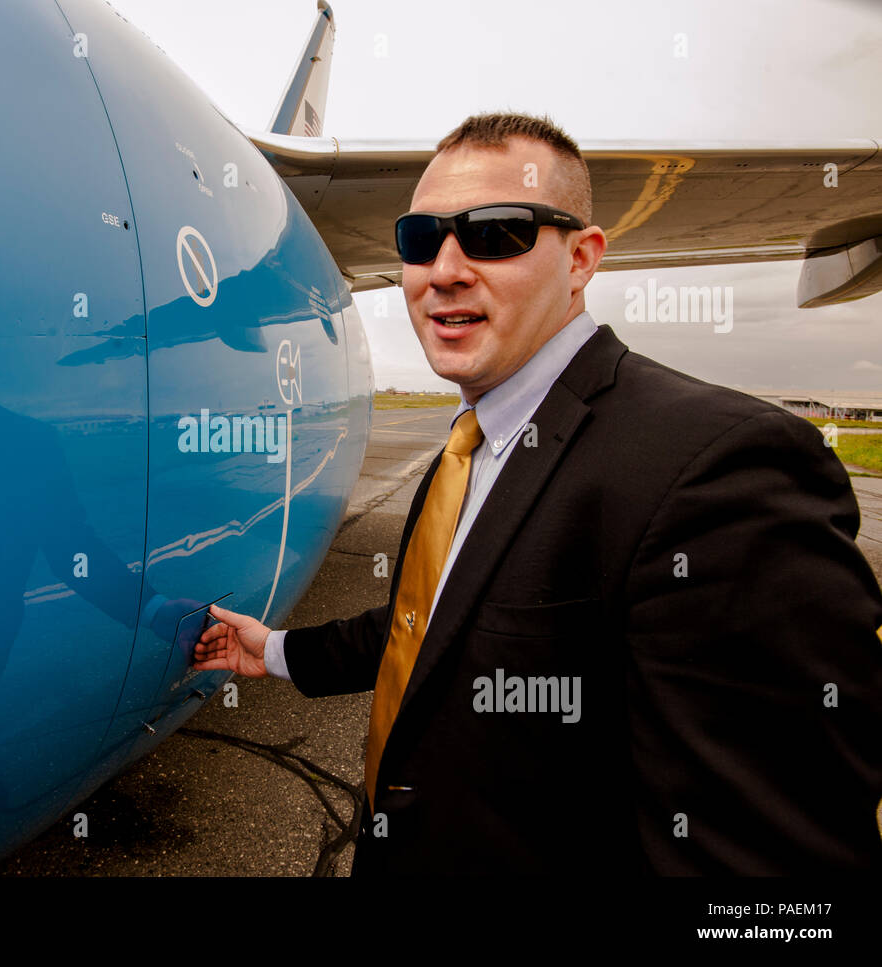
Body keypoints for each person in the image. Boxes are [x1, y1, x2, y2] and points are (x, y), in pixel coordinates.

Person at [193, 112, 882, 875]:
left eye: (496, 233)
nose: (445, 268)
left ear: (583, 259)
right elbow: (427, 621)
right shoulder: (473, 441)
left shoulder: (718, 468)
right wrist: (277, 650)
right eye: (422, 240)